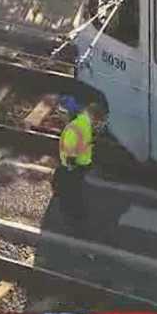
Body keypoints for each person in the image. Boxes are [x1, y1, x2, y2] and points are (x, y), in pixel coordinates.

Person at [56, 95, 93, 229]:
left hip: (74, 166)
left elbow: (71, 155)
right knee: (77, 189)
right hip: (85, 161)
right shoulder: (83, 120)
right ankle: (78, 213)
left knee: (70, 191)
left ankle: (74, 217)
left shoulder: (72, 130)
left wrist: (69, 168)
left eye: (62, 113)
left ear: (70, 113)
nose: (60, 115)